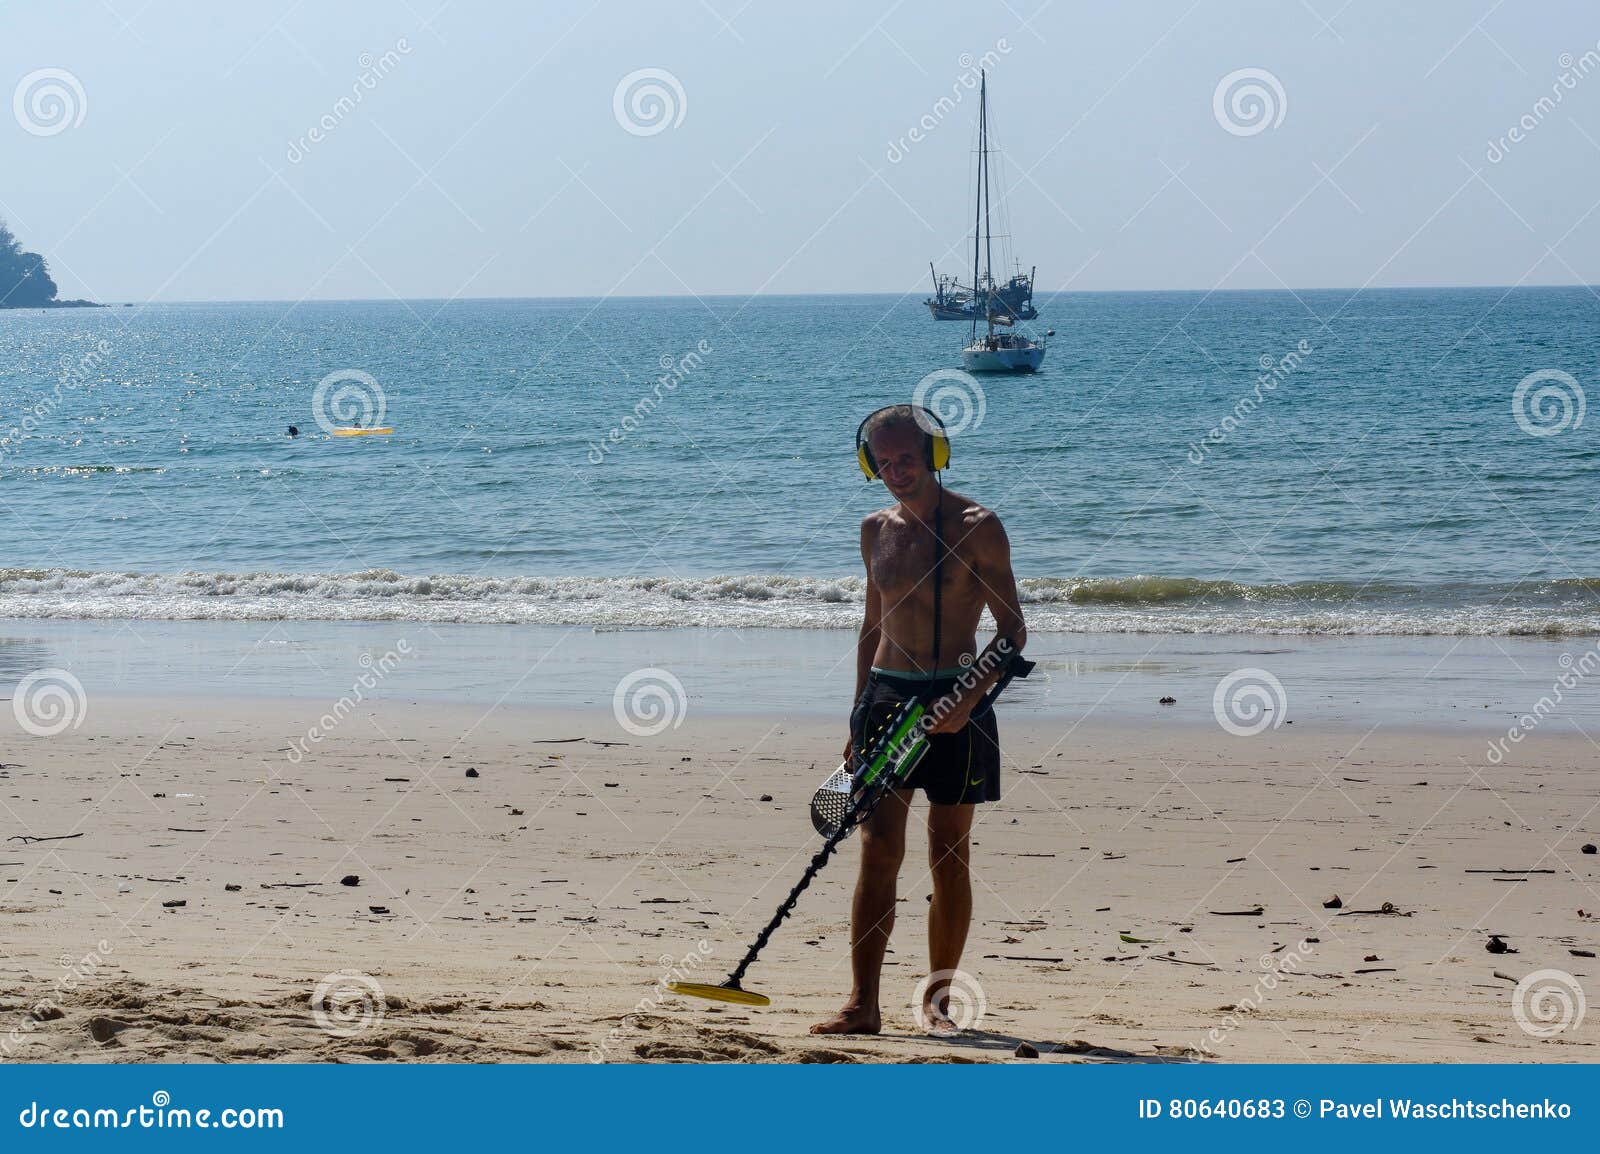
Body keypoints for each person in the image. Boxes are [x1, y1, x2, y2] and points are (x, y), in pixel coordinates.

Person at [811, 404, 1027, 1036]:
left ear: (934, 454)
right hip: (886, 700)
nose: (895, 472)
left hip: (960, 700)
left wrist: (968, 697)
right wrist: (856, 718)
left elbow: (1012, 630)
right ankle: (862, 1004)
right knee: (877, 851)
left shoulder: (977, 526)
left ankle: (939, 1004)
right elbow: (871, 626)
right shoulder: (874, 529)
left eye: (906, 458)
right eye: (881, 462)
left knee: (948, 853)